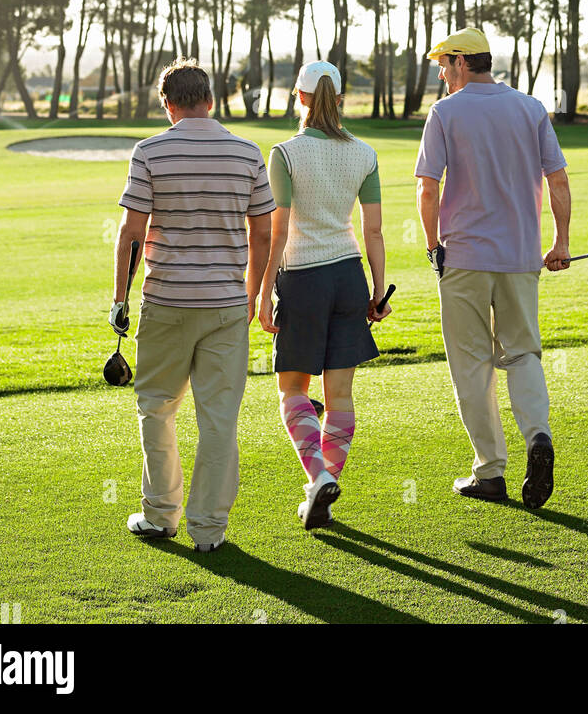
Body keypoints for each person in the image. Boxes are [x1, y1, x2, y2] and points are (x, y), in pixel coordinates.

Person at [110, 58, 274, 551]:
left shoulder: (150, 151)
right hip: (227, 305)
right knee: (219, 419)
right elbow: (264, 232)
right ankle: (209, 531)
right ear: (210, 99)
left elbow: (131, 233)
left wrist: (118, 299)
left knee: (156, 408)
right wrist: (251, 293)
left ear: (168, 104)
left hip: (166, 302)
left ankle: (161, 516)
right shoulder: (247, 152)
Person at [414, 26, 570, 509]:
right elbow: (559, 181)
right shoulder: (531, 108)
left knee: (471, 364)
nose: (441, 73)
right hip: (522, 255)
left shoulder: (445, 112)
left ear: (462, 61)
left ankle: (490, 471)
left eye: (444, 64)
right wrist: (560, 242)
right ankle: (538, 436)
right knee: (523, 354)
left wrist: (431, 243)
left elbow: (427, 188)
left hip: (464, 257)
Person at [258, 61, 390, 531]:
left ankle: (317, 479)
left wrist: (263, 291)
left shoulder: (284, 153)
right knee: (340, 396)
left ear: (301, 97)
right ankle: (325, 492)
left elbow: (277, 232)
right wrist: (377, 288)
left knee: (293, 389)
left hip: (304, 279)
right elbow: (372, 230)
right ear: (338, 98)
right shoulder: (364, 153)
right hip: (350, 277)